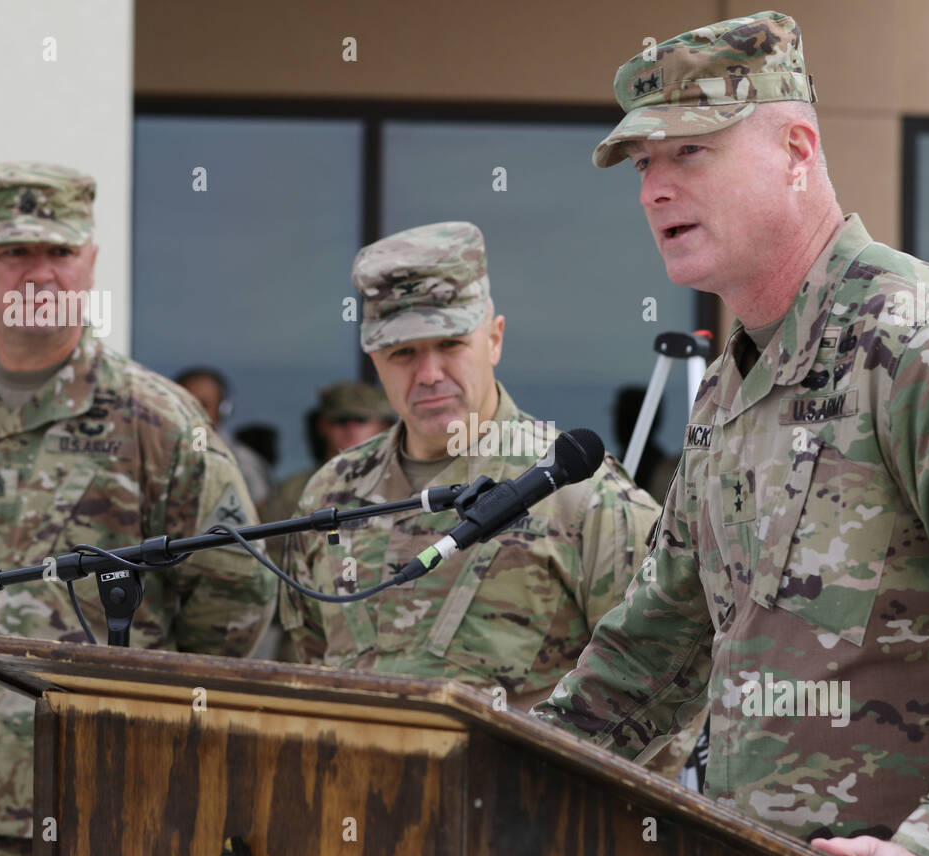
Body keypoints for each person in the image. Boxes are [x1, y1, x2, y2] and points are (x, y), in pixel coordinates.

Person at [532, 13, 929, 856]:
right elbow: (658, 644)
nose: (653, 189)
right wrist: (497, 767)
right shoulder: (728, 389)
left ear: (796, 148)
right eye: (642, 164)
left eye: (690, 152)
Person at [0, 161, 278, 856]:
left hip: (113, 807)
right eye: (13, 253)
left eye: (60, 252)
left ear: (91, 263)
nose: (38, 274)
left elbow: (233, 602)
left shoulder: (157, 420)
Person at [278, 221, 664, 719]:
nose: (430, 374)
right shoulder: (331, 493)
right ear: (375, 360)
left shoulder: (578, 490)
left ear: (494, 339)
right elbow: (309, 659)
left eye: (452, 345)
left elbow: (661, 685)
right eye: (403, 353)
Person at [259, 381, 395, 562]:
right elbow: (270, 557)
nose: (351, 429)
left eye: (362, 420)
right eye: (341, 421)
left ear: (384, 426)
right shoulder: (292, 492)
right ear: (323, 426)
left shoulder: (406, 485)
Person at [175, 366, 274, 507]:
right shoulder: (158, 454)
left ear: (222, 410)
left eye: (203, 405)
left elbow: (262, 513)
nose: (194, 412)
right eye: (186, 403)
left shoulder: (243, 462)